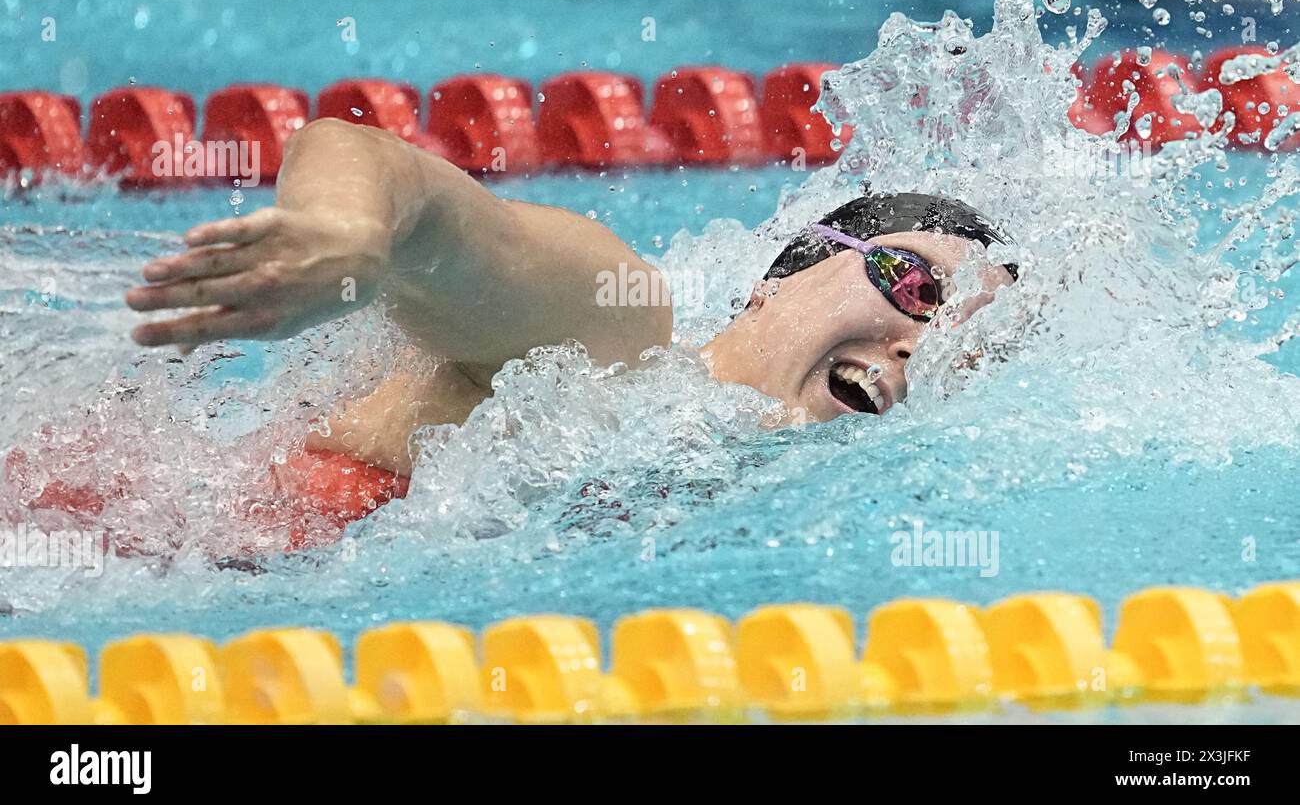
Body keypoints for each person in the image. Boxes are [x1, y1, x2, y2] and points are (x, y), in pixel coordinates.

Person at [118, 119, 1016, 548]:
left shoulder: (745, 523)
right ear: (783, 274)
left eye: (954, 359)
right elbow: (372, 161)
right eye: (919, 285)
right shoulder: (616, 331)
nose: (915, 347)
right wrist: (345, 240)